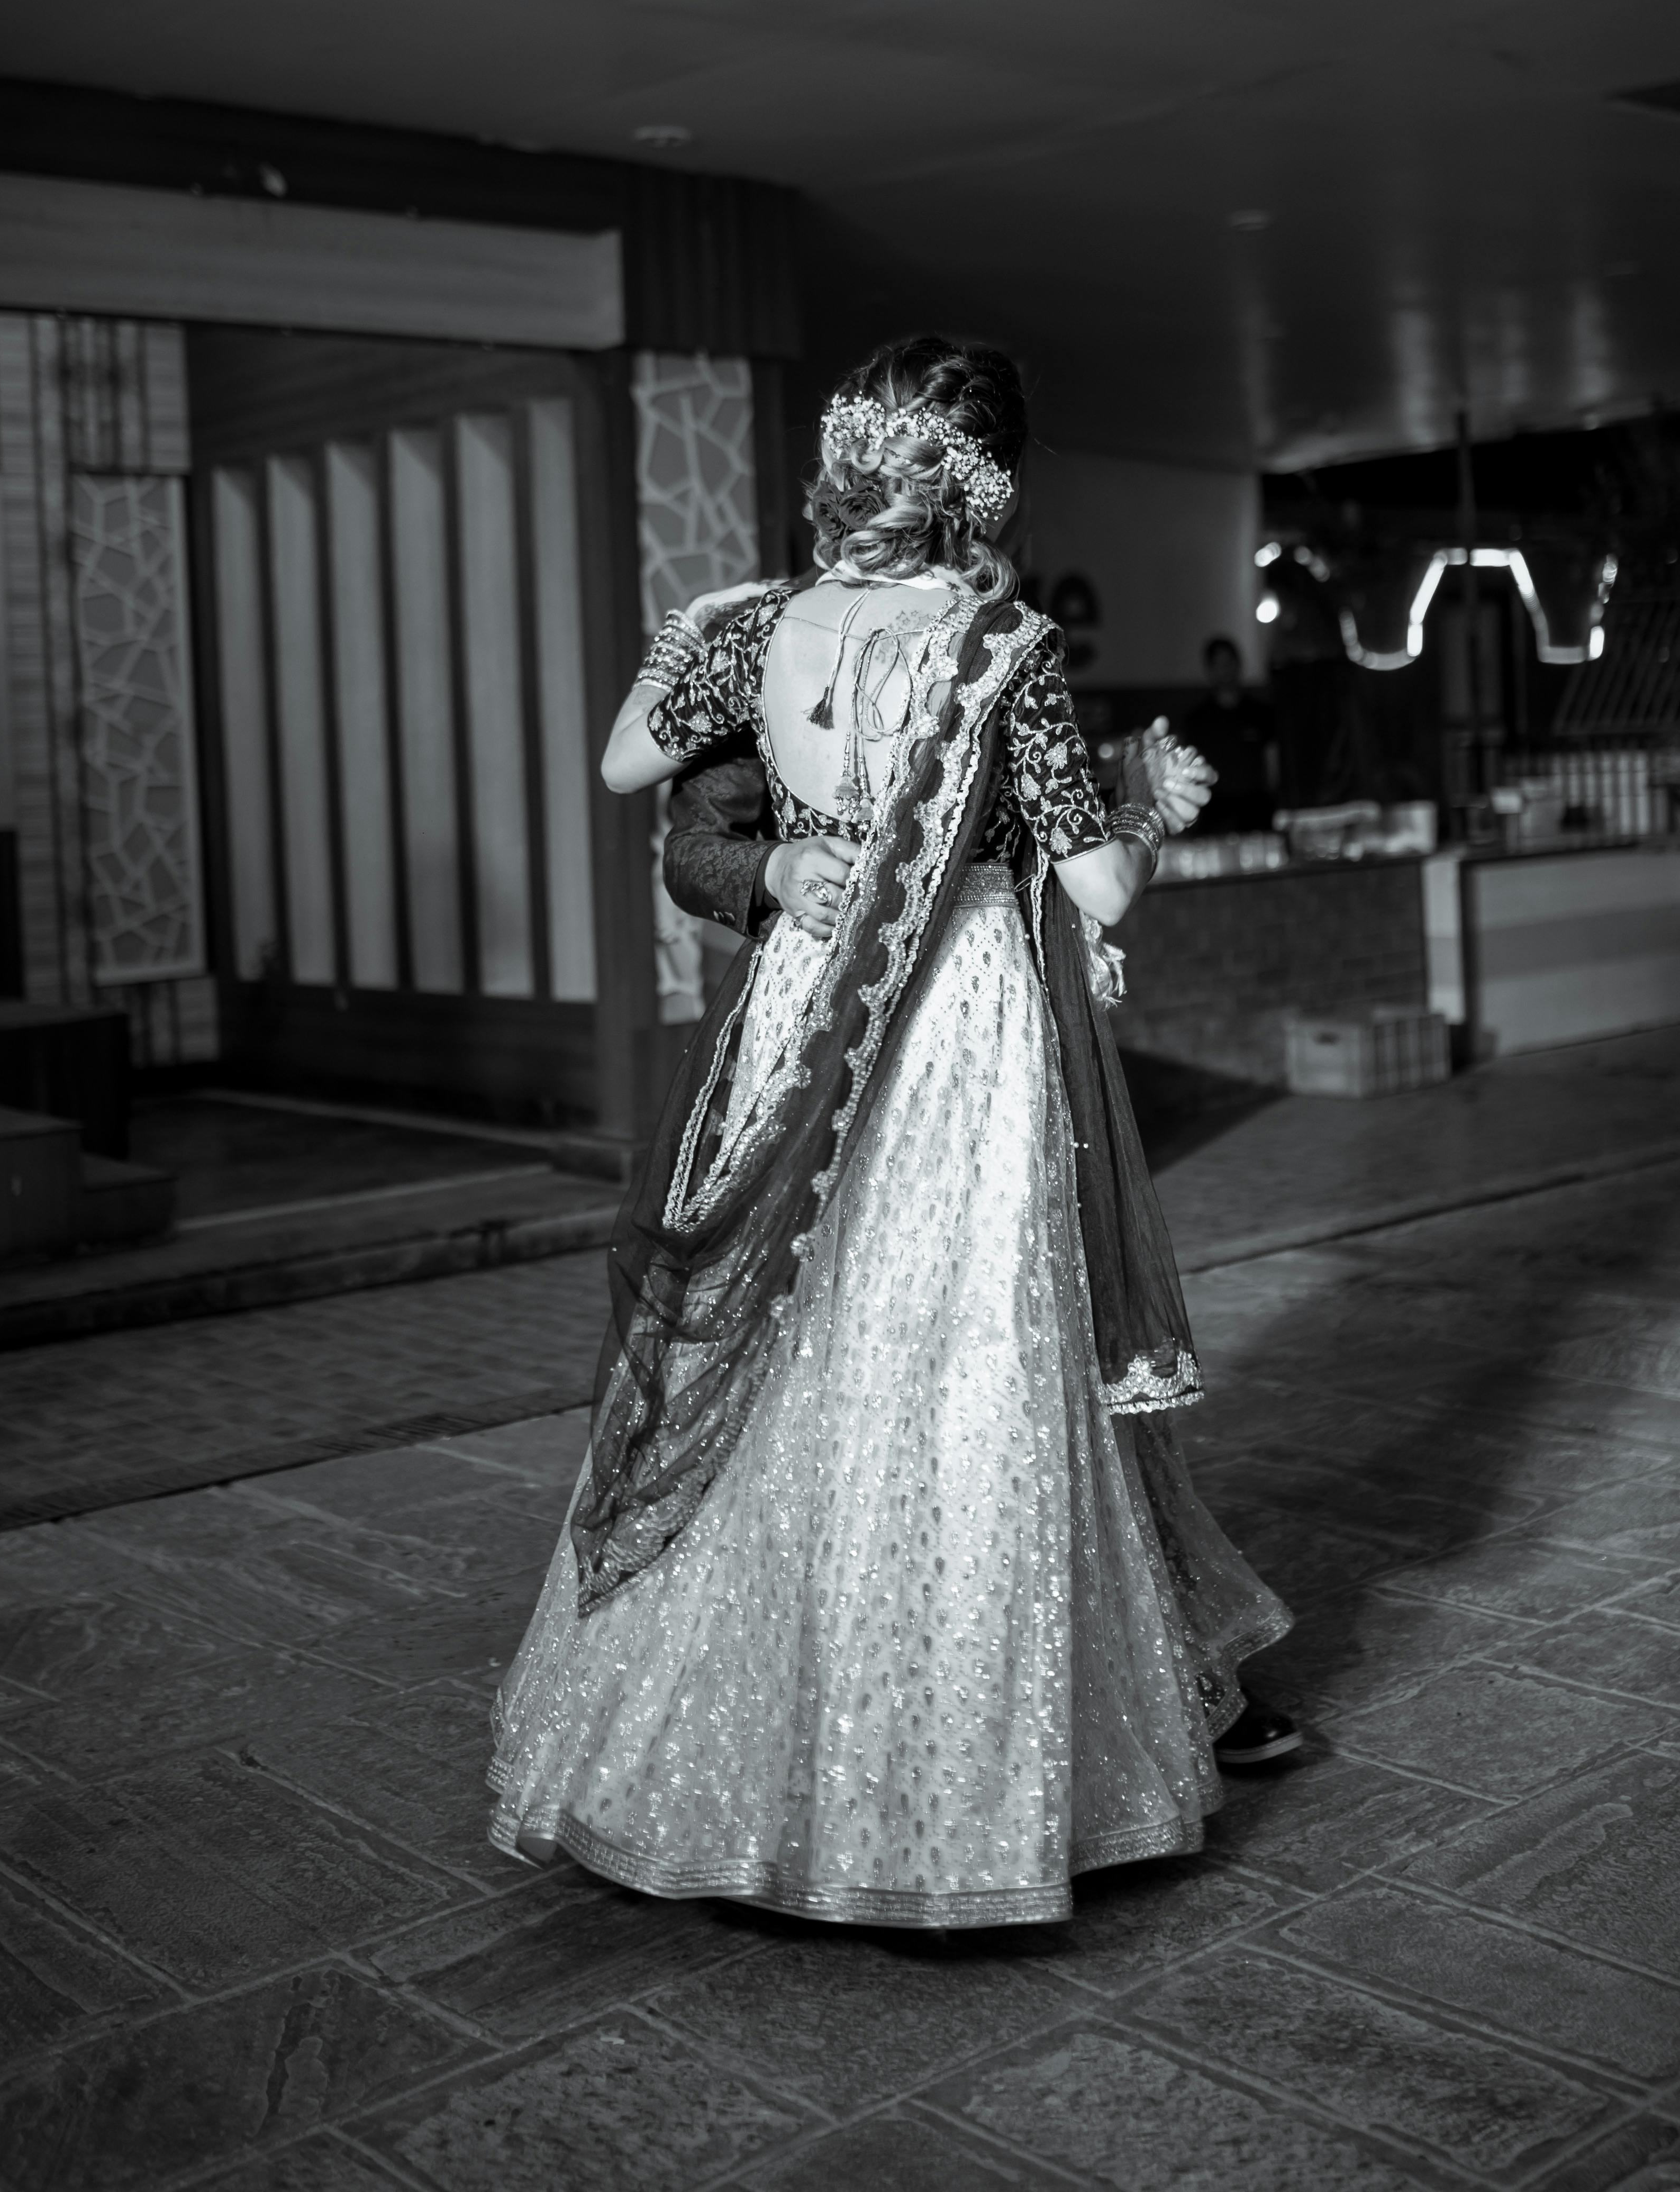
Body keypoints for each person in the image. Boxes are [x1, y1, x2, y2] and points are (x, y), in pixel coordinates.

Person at [488, 336, 1294, 1926]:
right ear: (986, 485)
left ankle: (728, 1772)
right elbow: (1102, 890)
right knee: (963, 1357)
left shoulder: (764, 629)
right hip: (955, 1028)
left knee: (788, 1340)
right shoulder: (1005, 649)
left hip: (802, 1013)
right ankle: (942, 1793)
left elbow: (623, 757)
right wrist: (1148, 802)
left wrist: (691, 632)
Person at [1178, 633, 1279, 835]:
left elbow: (1273, 765)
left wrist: (1277, 803)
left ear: (1239, 665)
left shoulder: (1261, 714)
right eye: (1218, 664)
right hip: (1215, 814)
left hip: (1257, 811)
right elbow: (1187, 771)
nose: (1225, 670)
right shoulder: (1197, 720)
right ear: (1209, 670)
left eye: (1229, 662)